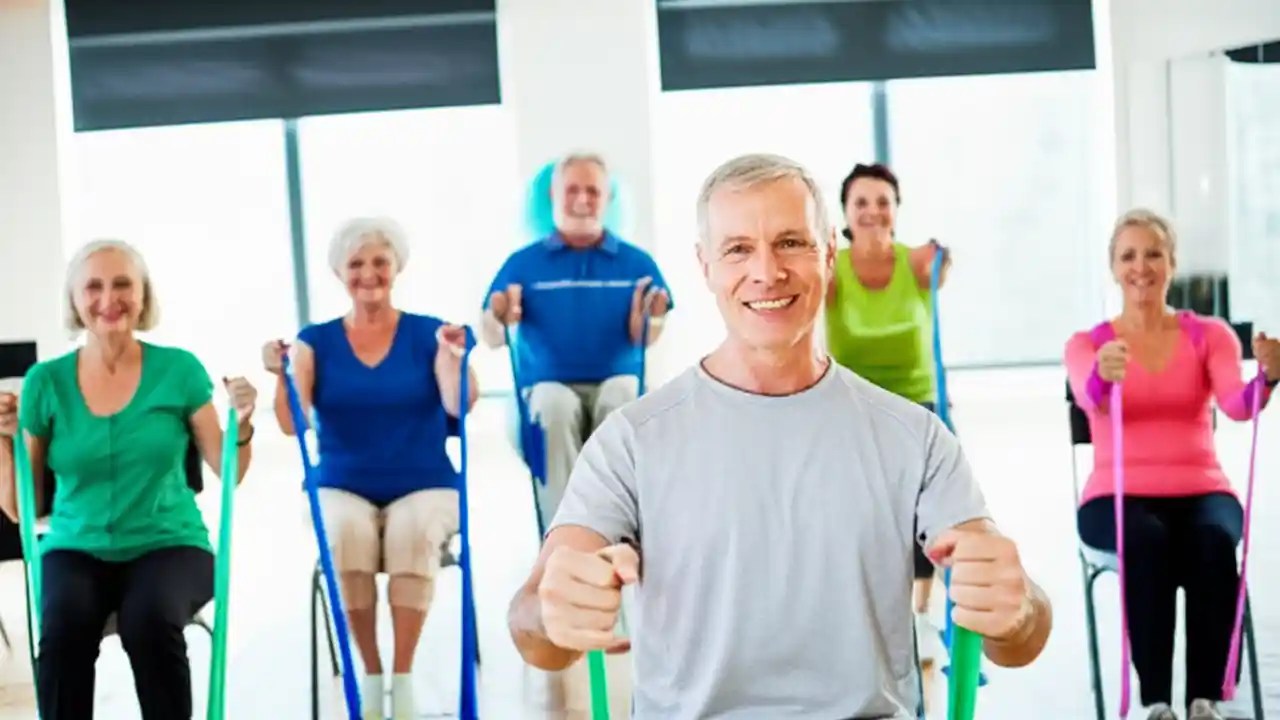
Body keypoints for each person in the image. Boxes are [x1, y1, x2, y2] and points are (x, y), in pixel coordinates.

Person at [506, 153, 1052, 719]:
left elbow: (1021, 637)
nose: (766, 271)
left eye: (791, 242)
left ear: (829, 253)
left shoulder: (915, 437)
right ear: (705, 266)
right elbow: (533, 634)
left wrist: (1017, 609)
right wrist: (553, 612)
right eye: (738, 248)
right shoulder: (631, 442)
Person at [0, 239, 257, 720]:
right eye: (92, 286)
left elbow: (229, 473)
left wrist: (241, 426)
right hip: (75, 546)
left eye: (122, 284)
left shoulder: (179, 370)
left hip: (170, 544)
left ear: (144, 296)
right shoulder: (45, 382)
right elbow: (22, 509)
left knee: (150, 621)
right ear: (74, 301)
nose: (108, 298)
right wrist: (2, 442)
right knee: (64, 629)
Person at [1064, 209, 1280, 720]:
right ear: (1113, 268)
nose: (1142, 267)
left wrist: (1268, 378)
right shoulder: (1088, 344)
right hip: (1115, 497)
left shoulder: (1211, 334)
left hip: (1202, 490)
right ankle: (1157, 701)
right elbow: (1088, 397)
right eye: (1129, 255)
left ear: (1173, 263)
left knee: (1210, 543)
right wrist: (1103, 377)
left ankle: (1204, 699)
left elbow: (1238, 405)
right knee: (1146, 540)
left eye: (1154, 254)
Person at [263, 216, 478, 720]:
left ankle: (402, 682)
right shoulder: (315, 340)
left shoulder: (430, 332)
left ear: (396, 267)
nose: (368, 273)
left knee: (413, 530)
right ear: (339, 272)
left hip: (424, 479)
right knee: (344, 532)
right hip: (342, 481)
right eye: (356, 263)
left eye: (379, 261)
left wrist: (455, 358)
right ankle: (372, 671)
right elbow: (294, 425)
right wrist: (280, 376)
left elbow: (459, 404)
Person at [480, 152, 673, 528]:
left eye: (593, 191)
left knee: (621, 398)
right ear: (553, 196)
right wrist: (500, 314)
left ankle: (616, 531)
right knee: (555, 405)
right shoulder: (523, 263)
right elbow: (491, 337)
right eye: (572, 190)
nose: (583, 200)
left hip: (615, 382)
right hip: (547, 387)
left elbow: (649, 336)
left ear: (608, 199)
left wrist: (647, 321)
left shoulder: (637, 263)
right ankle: (564, 535)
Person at [825, 162, 953, 666]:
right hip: (851, 408)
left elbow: (943, 266)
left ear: (897, 211)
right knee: (865, 514)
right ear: (846, 215)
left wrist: (946, 258)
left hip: (917, 407)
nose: (873, 212)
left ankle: (919, 614)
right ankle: (870, 614)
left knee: (927, 507)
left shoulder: (918, 263)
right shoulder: (830, 268)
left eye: (882, 202)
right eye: (862, 203)